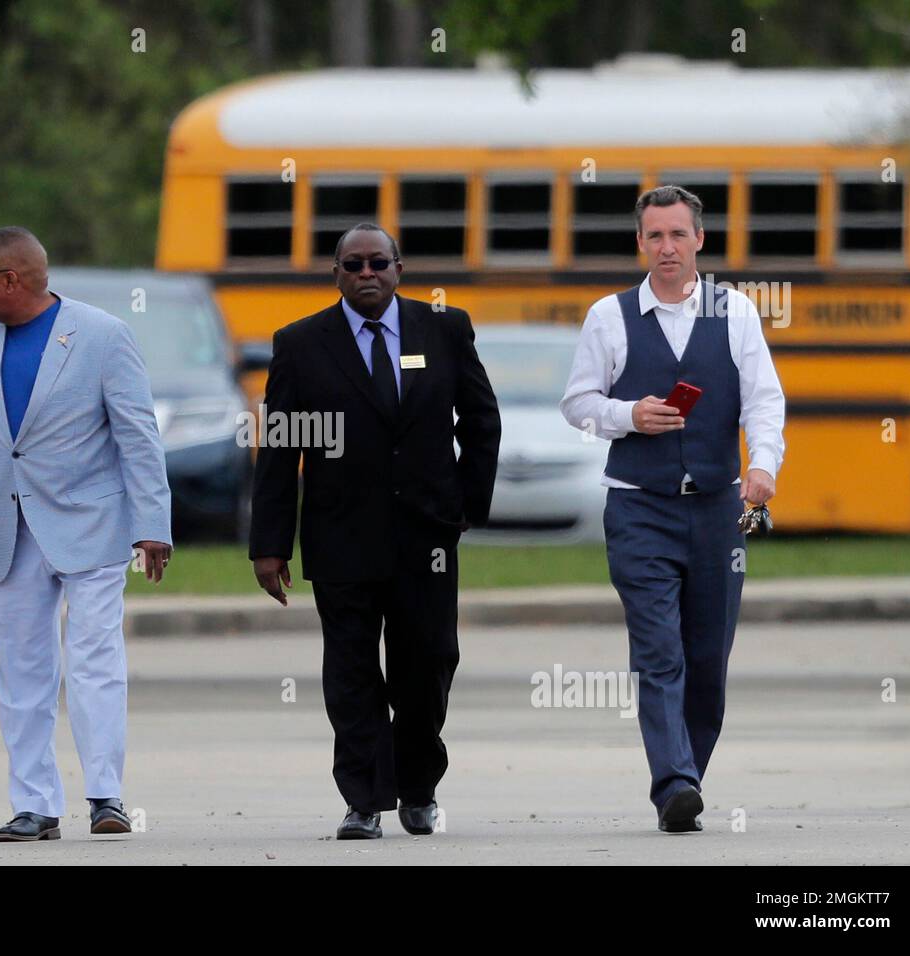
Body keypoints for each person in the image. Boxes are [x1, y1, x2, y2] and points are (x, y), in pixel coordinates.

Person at [0, 226, 171, 842]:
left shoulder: (103, 335)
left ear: (12, 280)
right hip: (9, 529)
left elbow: (137, 435)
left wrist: (152, 524)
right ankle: (35, 805)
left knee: (94, 660)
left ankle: (106, 795)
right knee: (22, 671)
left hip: (92, 524)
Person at [248, 223, 501, 840]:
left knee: (428, 663)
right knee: (352, 672)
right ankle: (363, 799)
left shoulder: (444, 328)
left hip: (427, 537)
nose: (367, 274)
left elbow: (480, 419)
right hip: (340, 536)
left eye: (378, 263)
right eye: (354, 264)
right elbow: (280, 449)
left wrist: (467, 504)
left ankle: (419, 786)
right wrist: (270, 545)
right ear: (336, 274)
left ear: (398, 269)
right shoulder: (300, 344)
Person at [560, 185, 786, 832]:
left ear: (699, 240)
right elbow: (577, 403)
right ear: (640, 242)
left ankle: (687, 777)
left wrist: (763, 465)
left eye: (678, 234)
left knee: (708, 663)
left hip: (717, 509)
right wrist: (627, 415)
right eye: (655, 235)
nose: (667, 247)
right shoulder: (609, 316)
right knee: (659, 652)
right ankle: (674, 782)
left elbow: (763, 399)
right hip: (638, 508)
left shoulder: (734, 312)